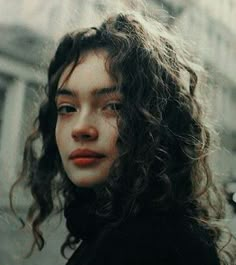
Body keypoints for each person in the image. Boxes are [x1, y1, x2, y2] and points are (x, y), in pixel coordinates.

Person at [10, 11, 236, 265]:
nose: (81, 128)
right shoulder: (125, 228)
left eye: (114, 106)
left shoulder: (143, 244)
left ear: (157, 121)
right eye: (67, 108)